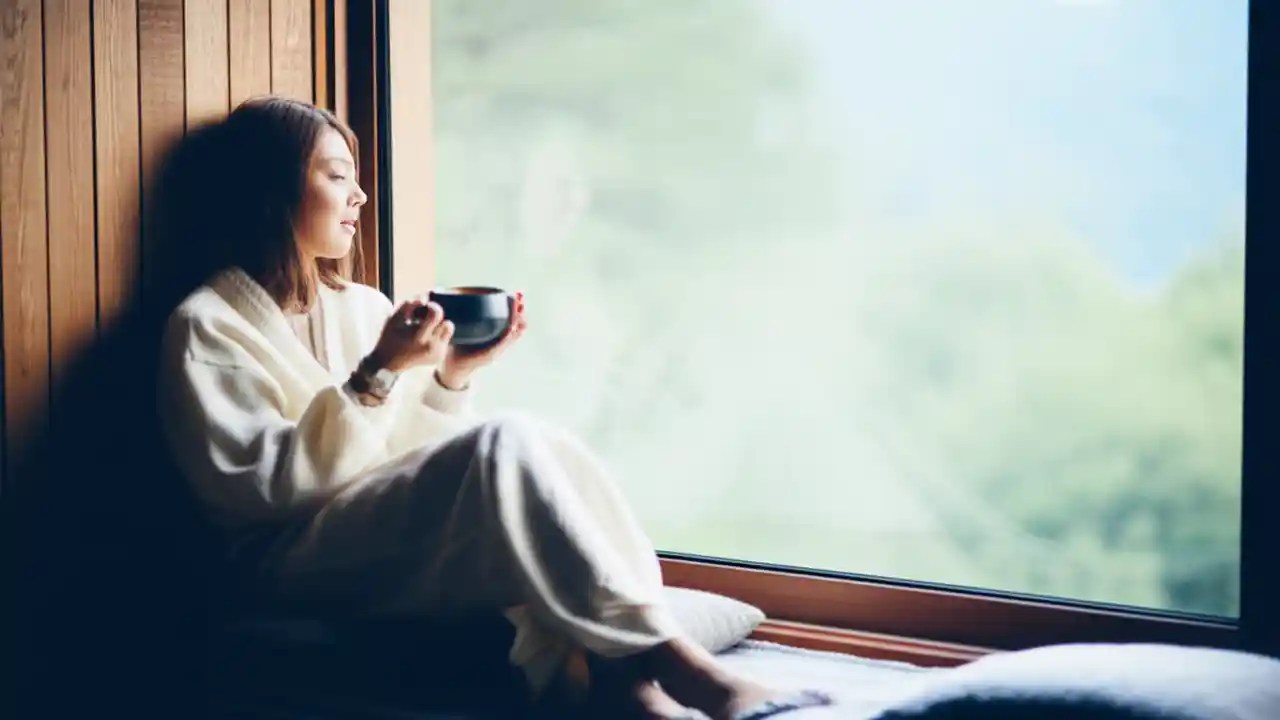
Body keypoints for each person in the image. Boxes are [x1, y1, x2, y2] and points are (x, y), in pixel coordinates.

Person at [156, 96, 831, 719]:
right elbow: (263, 490)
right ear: (272, 188)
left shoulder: (361, 308)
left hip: (365, 534)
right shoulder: (207, 325)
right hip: (285, 562)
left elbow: (404, 462)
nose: (360, 194)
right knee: (505, 443)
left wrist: (448, 379)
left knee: (539, 444)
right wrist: (379, 374)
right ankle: (691, 676)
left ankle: (625, 682)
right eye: (336, 176)